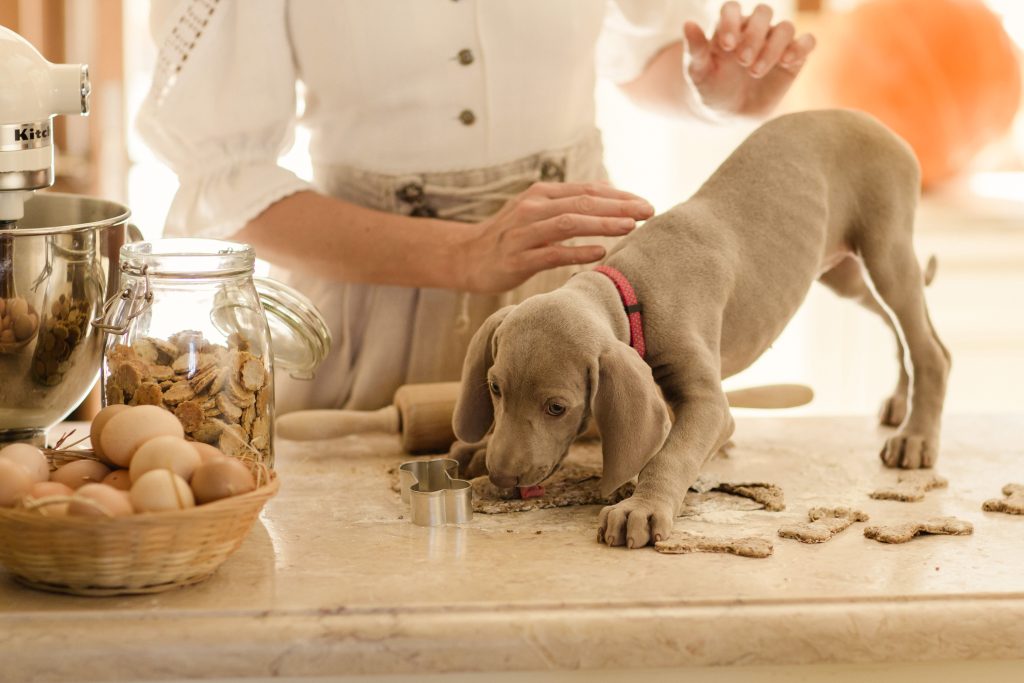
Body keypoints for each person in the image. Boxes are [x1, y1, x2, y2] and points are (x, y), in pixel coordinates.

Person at [138, 0, 815, 413]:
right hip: (367, 324)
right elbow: (225, 180)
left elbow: (641, 53)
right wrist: (459, 254)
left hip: (587, 296)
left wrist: (716, 93)